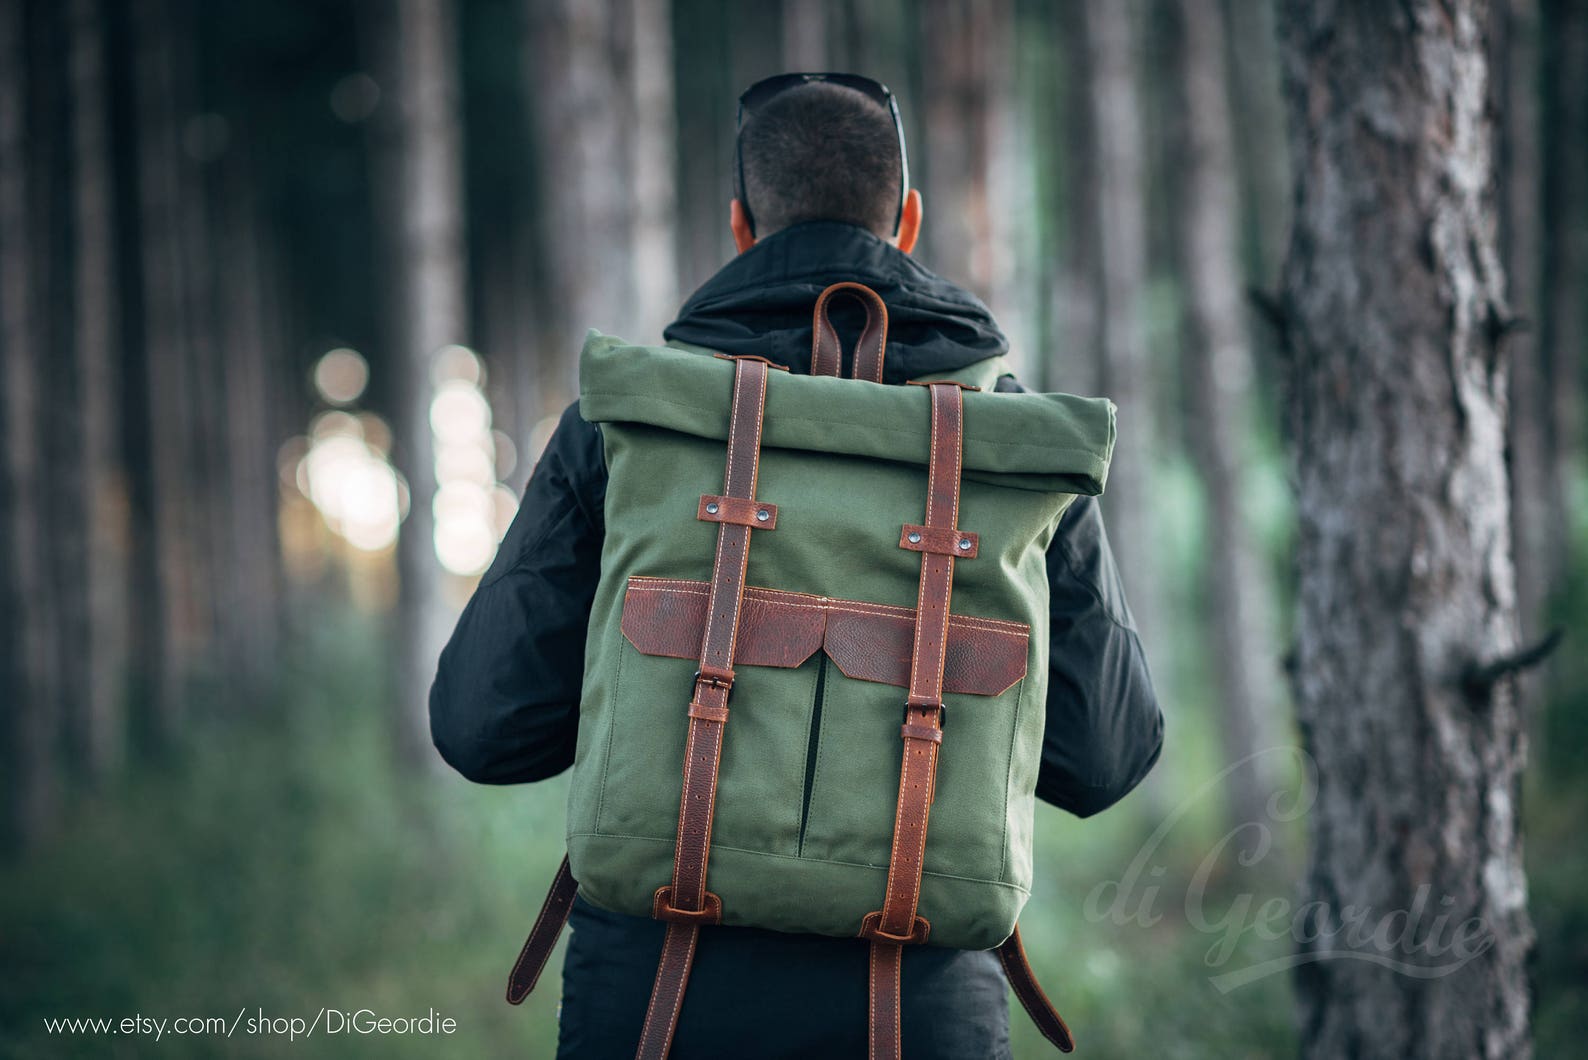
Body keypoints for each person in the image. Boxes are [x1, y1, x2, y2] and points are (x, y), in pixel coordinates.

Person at [430, 74, 1164, 1060]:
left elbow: (483, 726)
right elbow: (1103, 757)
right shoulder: (1015, 450)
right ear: (907, 220)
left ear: (741, 227)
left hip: (654, 999)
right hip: (923, 1010)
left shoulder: (627, 426)